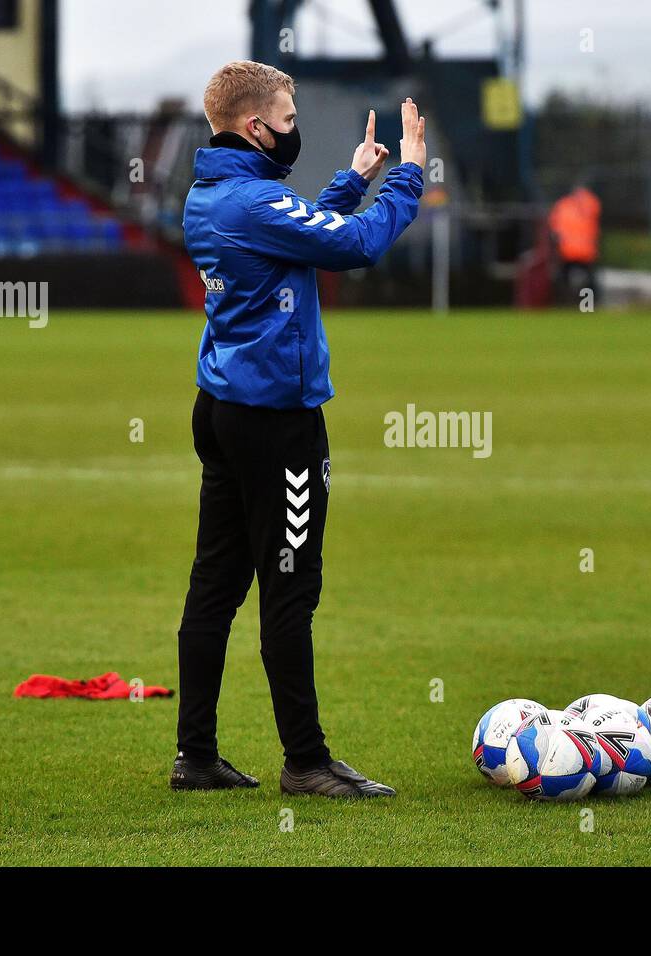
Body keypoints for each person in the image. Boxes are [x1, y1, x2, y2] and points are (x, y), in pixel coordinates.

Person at [172, 61, 426, 798]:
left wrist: (351, 180)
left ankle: (196, 756)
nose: (293, 129)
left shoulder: (214, 193)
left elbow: (293, 232)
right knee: (290, 587)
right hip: (276, 422)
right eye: (287, 118)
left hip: (221, 409)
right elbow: (353, 246)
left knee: (215, 585)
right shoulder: (251, 201)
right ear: (255, 127)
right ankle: (307, 763)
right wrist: (408, 174)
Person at [547, 183, 602, 305]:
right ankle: (587, 305)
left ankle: (564, 304)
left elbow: (554, 229)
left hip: (568, 251)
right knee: (588, 281)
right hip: (584, 251)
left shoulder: (562, 205)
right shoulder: (590, 203)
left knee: (563, 279)